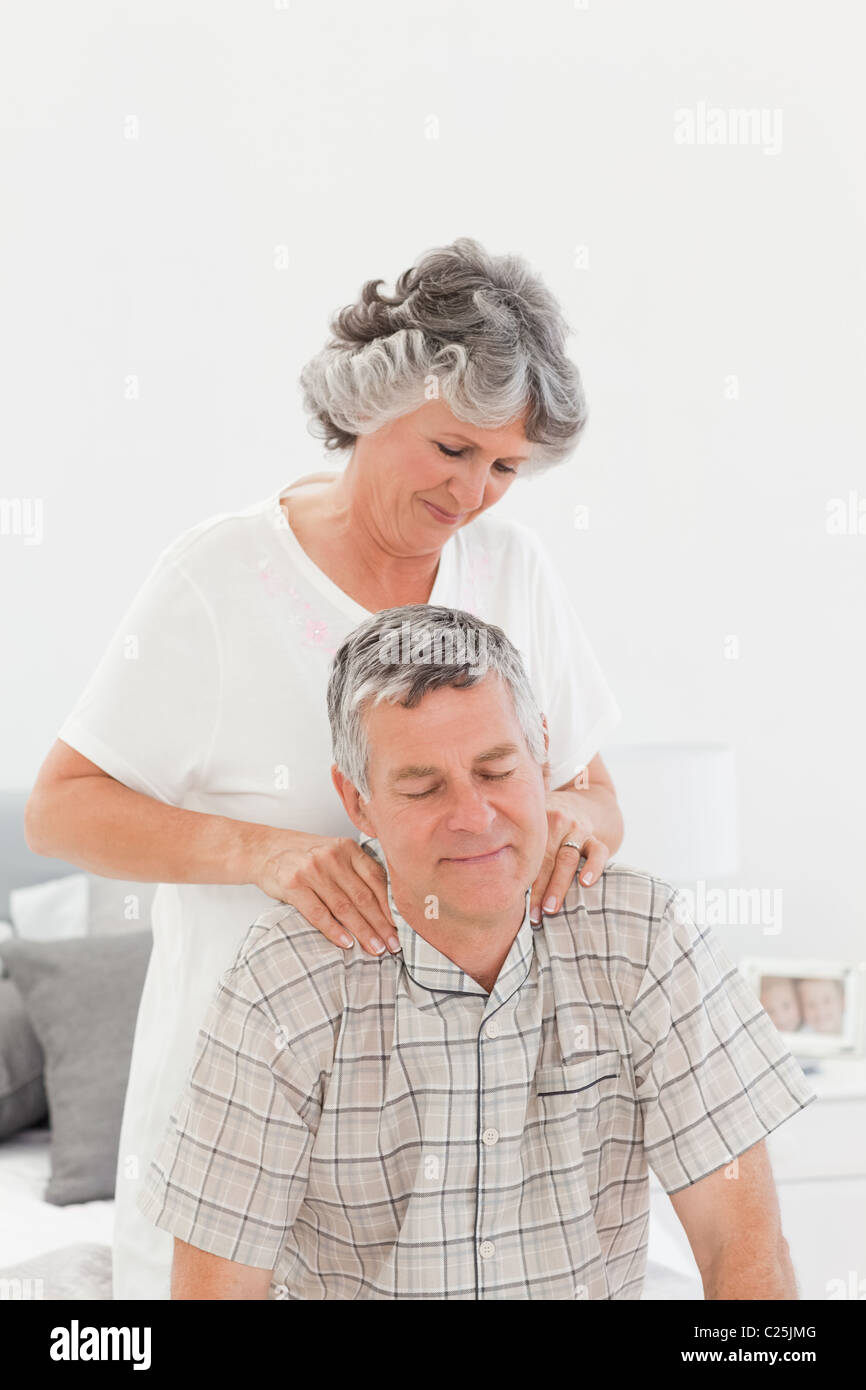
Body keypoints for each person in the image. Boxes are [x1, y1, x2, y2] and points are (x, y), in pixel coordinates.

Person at [24, 237, 624, 1300]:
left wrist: (566, 830)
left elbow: (592, 794)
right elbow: (60, 812)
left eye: (501, 469)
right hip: (243, 1123)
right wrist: (266, 853)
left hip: (458, 1139)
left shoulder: (512, 572)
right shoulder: (221, 579)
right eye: (451, 449)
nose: (474, 492)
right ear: (371, 400)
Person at [138, 606, 815, 1300]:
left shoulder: (645, 937)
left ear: (542, 756)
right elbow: (218, 1292)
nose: (474, 818)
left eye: (496, 771)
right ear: (359, 802)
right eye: (423, 787)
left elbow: (742, 1246)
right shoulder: (282, 981)